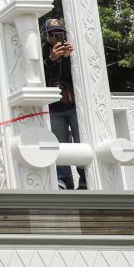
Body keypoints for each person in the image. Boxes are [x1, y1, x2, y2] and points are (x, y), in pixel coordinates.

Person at [42, 18, 85, 190]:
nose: (56, 37)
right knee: (58, 143)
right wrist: (51, 59)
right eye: (52, 34)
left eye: (60, 33)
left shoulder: (71, 50)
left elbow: (75, 76)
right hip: (54, 106)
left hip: (73, 104)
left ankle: (85, 180)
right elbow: (41, 77)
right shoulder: (42, 52)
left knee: (81, 141)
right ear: (46, 37)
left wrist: (67, 58)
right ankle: (61, 180)